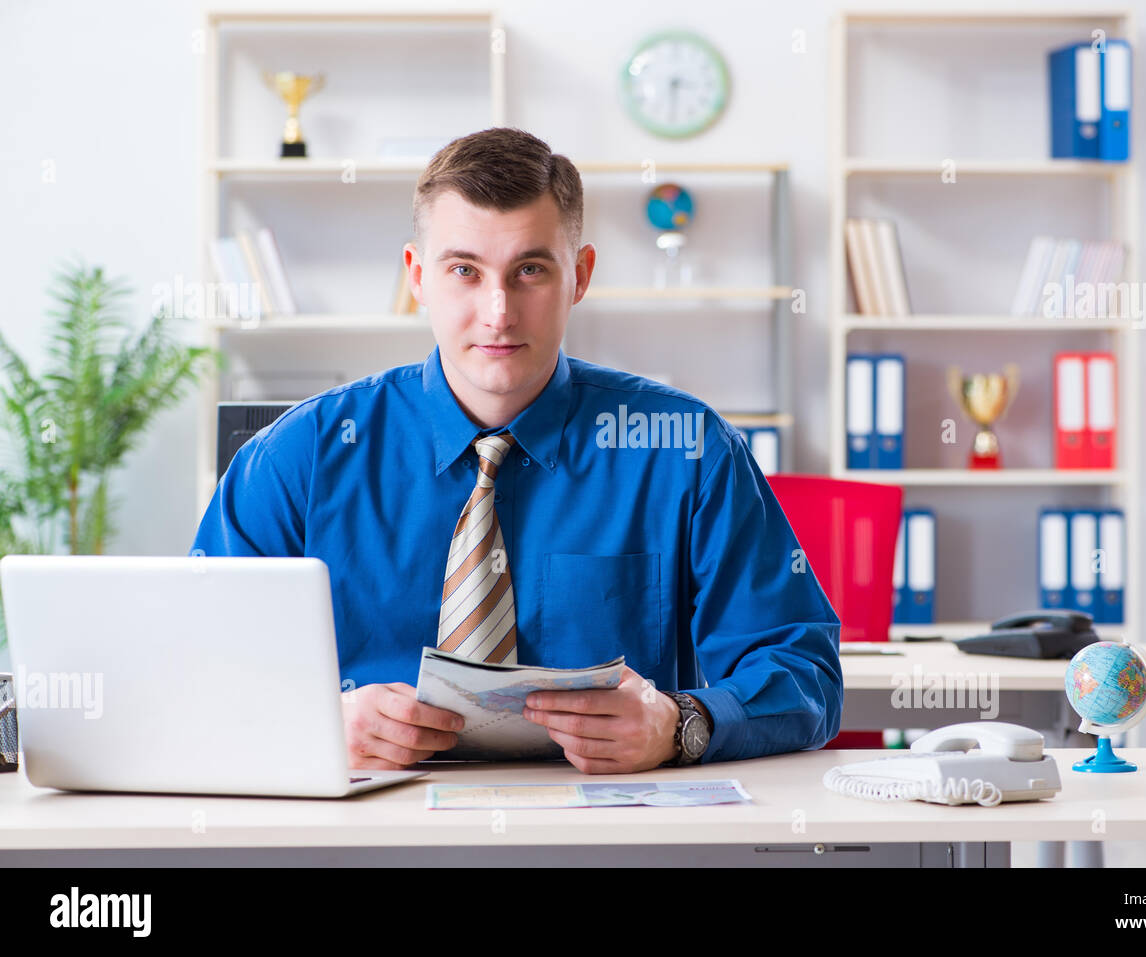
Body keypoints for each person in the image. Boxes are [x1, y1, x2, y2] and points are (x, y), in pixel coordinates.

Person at [191, 126, 842, 774]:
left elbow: (803, 673)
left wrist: (679, 723)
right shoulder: (295, 459)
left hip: (606, 835)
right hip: (364, 834)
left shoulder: (687, 451)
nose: (498, 312)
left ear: (579, 276)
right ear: (418, 276)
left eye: (529, 270)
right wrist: (312, 720)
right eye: (464, 271)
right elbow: (193, 667)